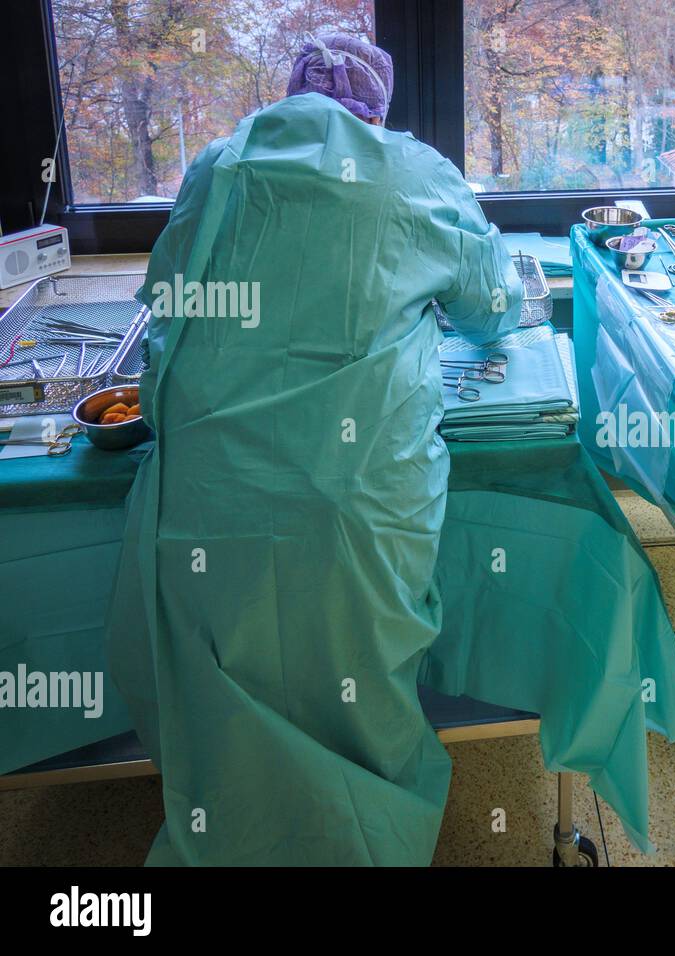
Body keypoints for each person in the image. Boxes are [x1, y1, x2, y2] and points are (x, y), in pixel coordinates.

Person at [105, 34, 522, 865]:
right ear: (377, 108)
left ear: (288, 95)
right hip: (355, 500)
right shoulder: (412, 174)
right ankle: (361, 832)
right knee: (355, 686)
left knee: (237, 698)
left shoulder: (218, 169)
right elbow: (492, 303)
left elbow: (166, 320)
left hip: (214, 500)